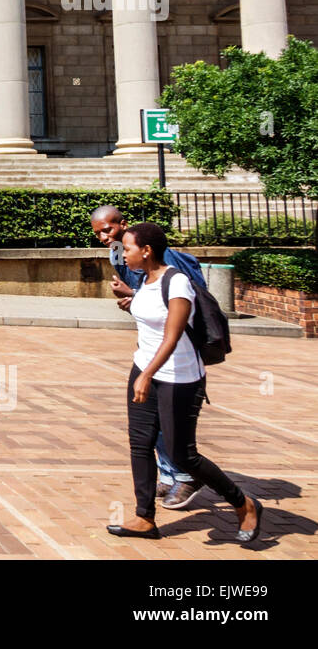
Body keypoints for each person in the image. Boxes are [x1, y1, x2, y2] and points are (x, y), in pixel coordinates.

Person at [105, 222, 263, 545]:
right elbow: (149, 315)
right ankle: (144, 517)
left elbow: (173, 336)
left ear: (146, 251)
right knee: (140, 444)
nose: (126, 253)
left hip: (179, 378)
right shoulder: (146, 281)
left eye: (130, 248)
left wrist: (148, 375)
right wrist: (130, 298)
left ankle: (243, 503)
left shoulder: (177, 283)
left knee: (183, 455)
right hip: (144, 369)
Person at [91, 204, 207, 510]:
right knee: (149, 423)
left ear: (123, 224)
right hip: (149, 350)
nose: (104, 236)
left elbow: (178, 299)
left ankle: (187, 475)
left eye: (109, 229)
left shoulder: (156, 253)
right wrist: (131, 296)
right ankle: (169, 475)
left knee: (172, 424)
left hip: (175, 355)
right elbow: (147, 293)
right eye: (98, 232)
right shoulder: (118, 253)